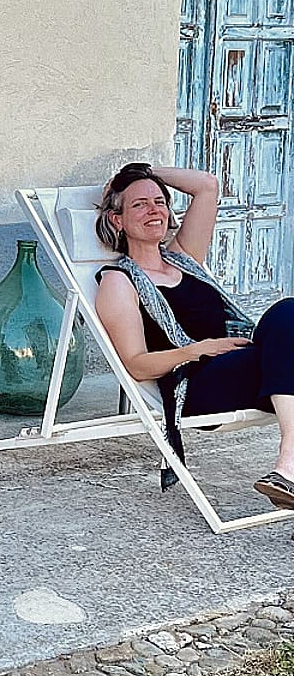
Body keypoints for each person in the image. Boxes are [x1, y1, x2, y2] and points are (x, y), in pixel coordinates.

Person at [93, 163, 294, 505]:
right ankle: (290, 463)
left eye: (159, 201)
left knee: (285, 313)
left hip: (242, 365)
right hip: (197, 384)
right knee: (289, 315)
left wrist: (144, 171)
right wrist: (200, 349)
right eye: (139, 205)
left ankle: (289, 469)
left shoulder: (184, 258)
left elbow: (206, 185)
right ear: (117, 220)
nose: (153, 210)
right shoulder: (118, 281)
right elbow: (137, 365)